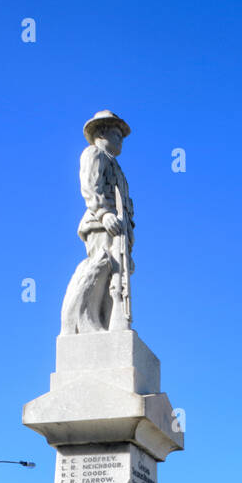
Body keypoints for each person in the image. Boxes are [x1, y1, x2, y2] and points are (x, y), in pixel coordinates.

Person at [60, 110, 134, 334]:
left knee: (117, 277)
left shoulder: (117, 166)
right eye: (116, 132)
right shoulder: (94, 154)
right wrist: (104, 213)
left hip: (119, 228)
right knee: (102, 267)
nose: (120, 138)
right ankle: (85, 320)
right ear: (102, 132)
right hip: (102, 223)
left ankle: (109, 323)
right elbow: (90, 187)